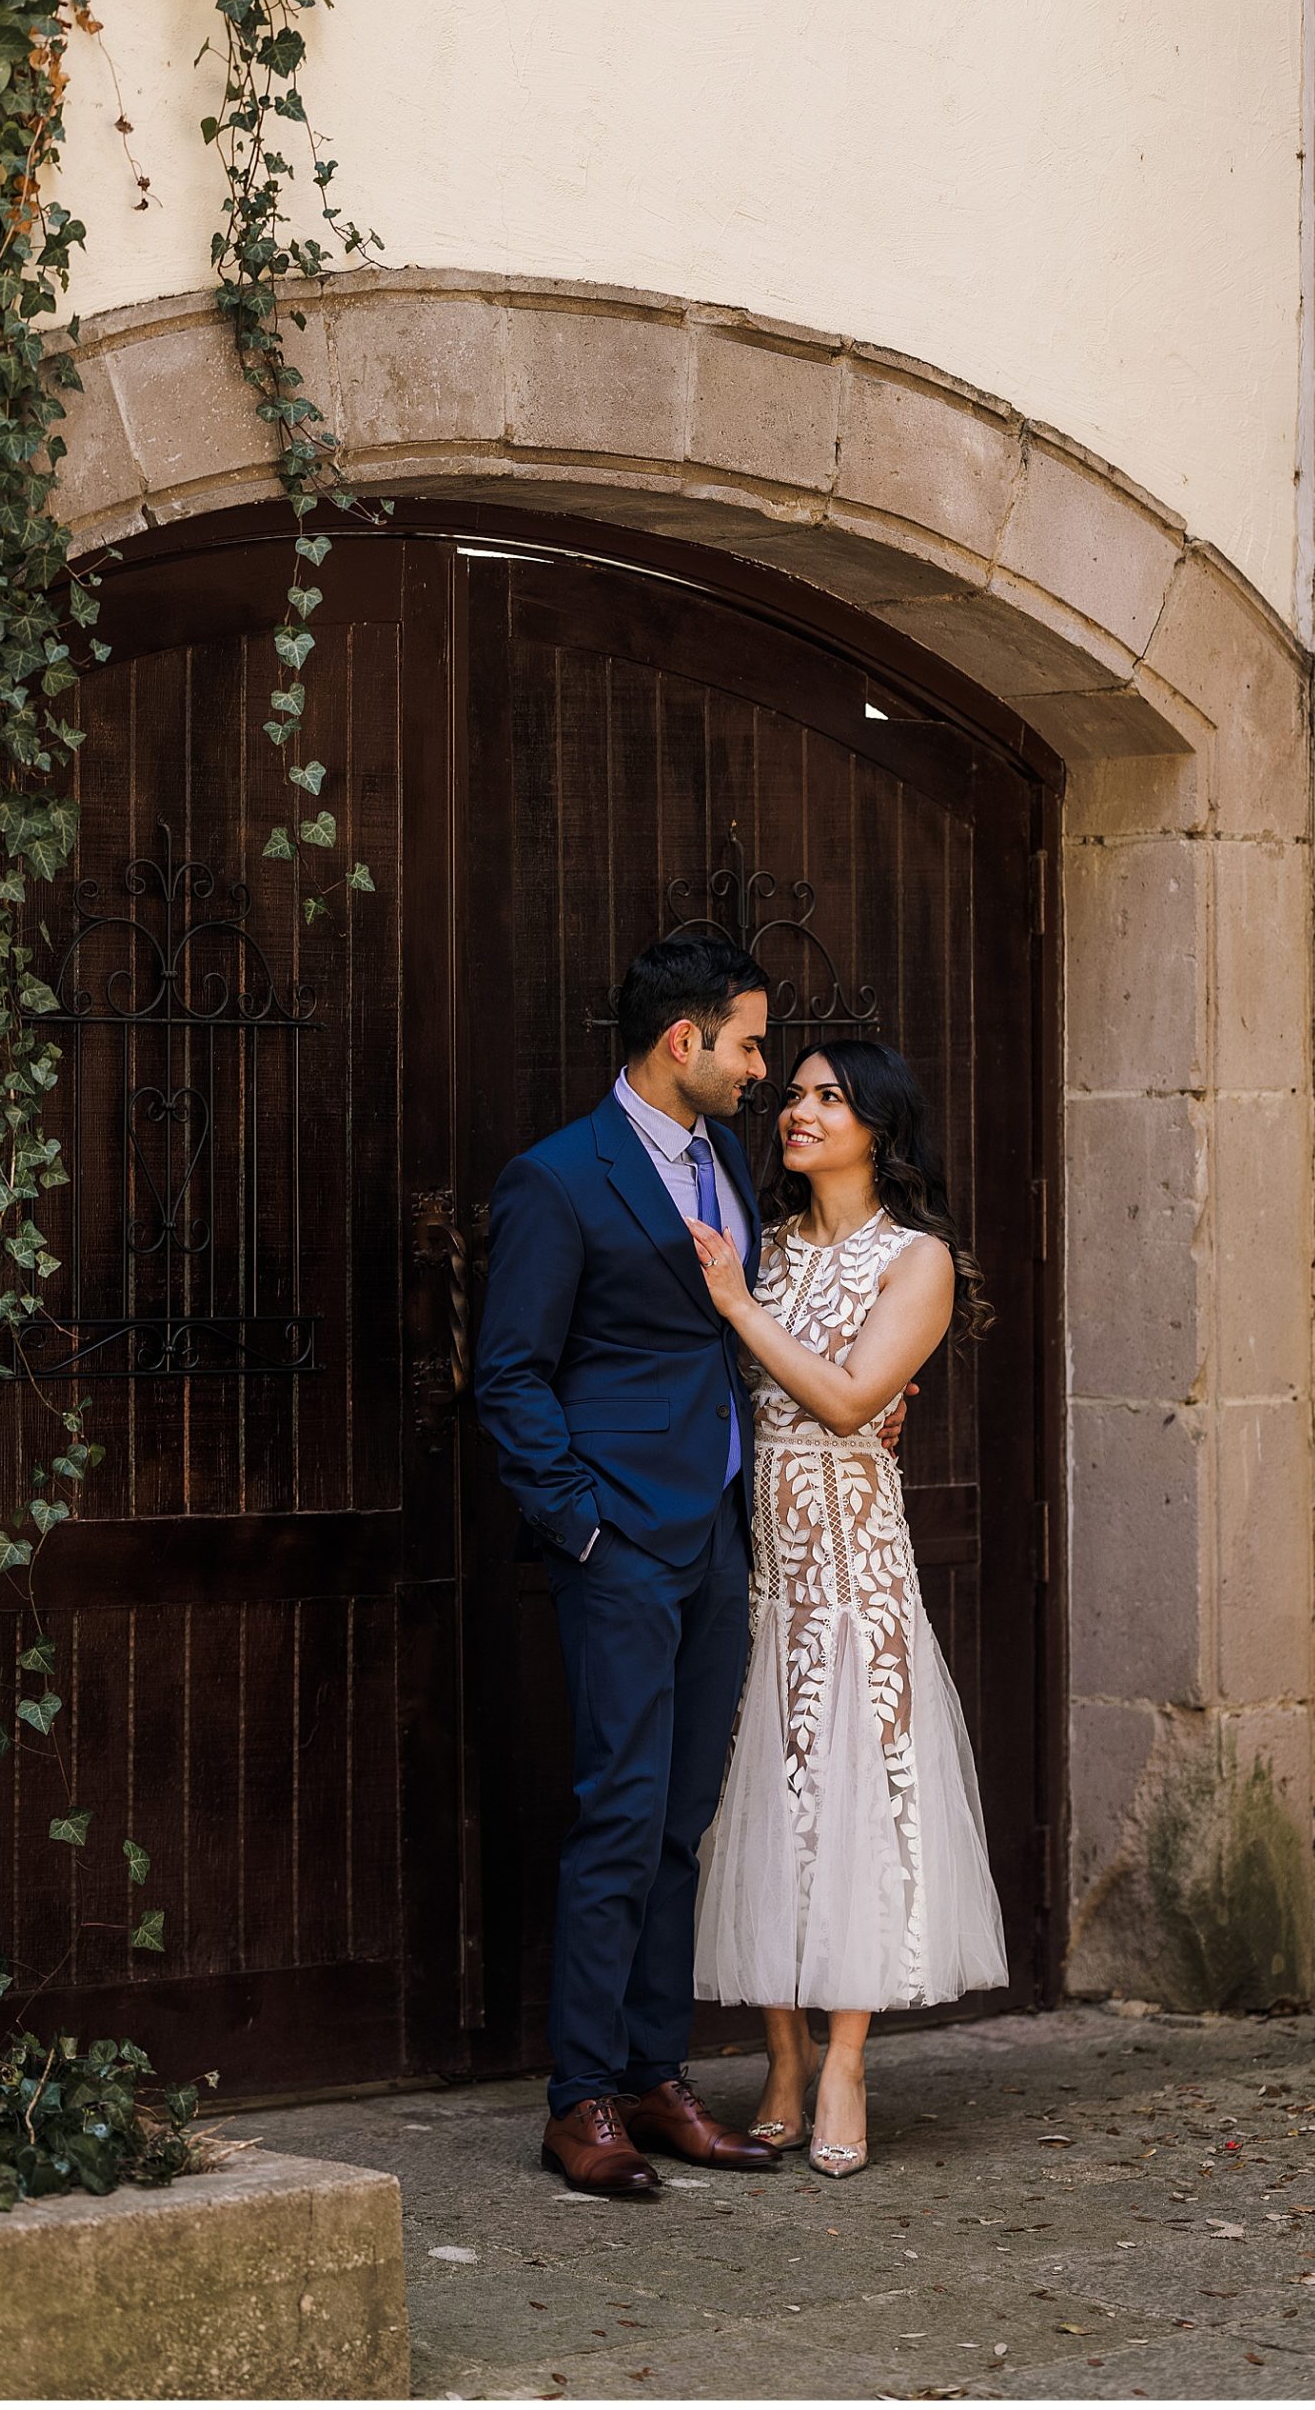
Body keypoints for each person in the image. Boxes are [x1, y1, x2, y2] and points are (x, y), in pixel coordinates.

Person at [475, 939, 910, 2197]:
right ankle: (580, 2100)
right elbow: (511, 1374)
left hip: (723, 1541)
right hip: (618, 1542)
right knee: (620, 1811)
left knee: (682, 1821)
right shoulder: (559, 1177)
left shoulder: (723, 1158)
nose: (764, 1070)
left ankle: (655, 2077)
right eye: (751, 1045)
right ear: (685, 1041)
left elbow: (741, 1332)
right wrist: (581, 1523)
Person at [689, 1037, 1007, 2177]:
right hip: (758, 1566)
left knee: (854, 1799)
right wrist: (743, 1294)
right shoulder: (763, 1242)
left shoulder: (916, 1260)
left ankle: (846, 2063)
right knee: (760, 1800)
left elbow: (849, 1398)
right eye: (795, 1094)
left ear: (878, 1126)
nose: (799, 1110)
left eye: (829, 1097)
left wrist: (738, 1307)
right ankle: (780, 2058)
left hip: (856, 1570)